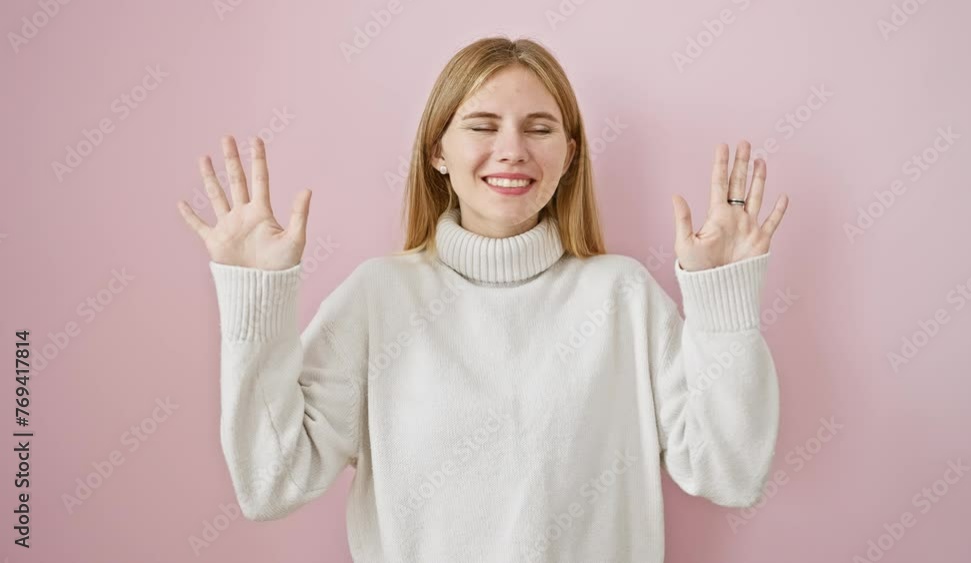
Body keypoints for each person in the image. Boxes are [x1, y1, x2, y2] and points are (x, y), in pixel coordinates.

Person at [177, 36, 788, 563]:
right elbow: (271, 483)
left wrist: (723, 300)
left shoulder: (623, 295)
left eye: (540, 128)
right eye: (482, 125)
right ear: (437, 151)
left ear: (569, 156)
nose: (513, 149)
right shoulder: (377, 298)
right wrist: (256, 297)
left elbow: (731, 474)